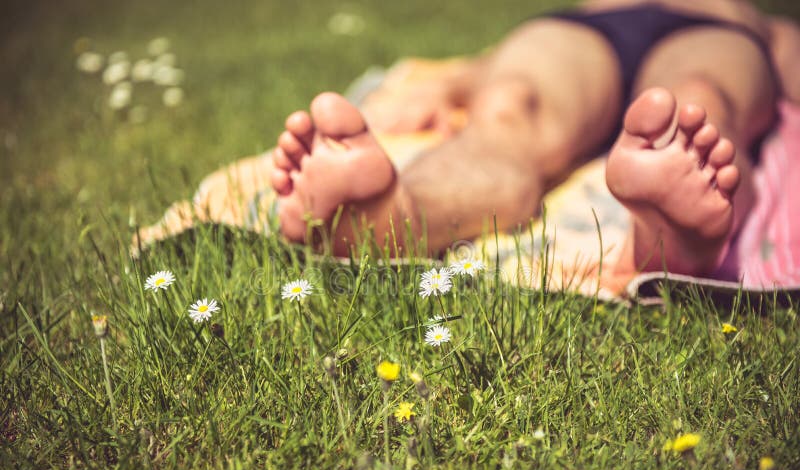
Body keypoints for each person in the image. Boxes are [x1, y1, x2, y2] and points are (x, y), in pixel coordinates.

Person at [269, 0, 800, 280]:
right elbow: (492, 65)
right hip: (591, 32)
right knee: (507, 103)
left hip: (709, 32)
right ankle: (395, 211)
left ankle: (677, 240)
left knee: (698, 107)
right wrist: (453, 82)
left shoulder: (756, 16)